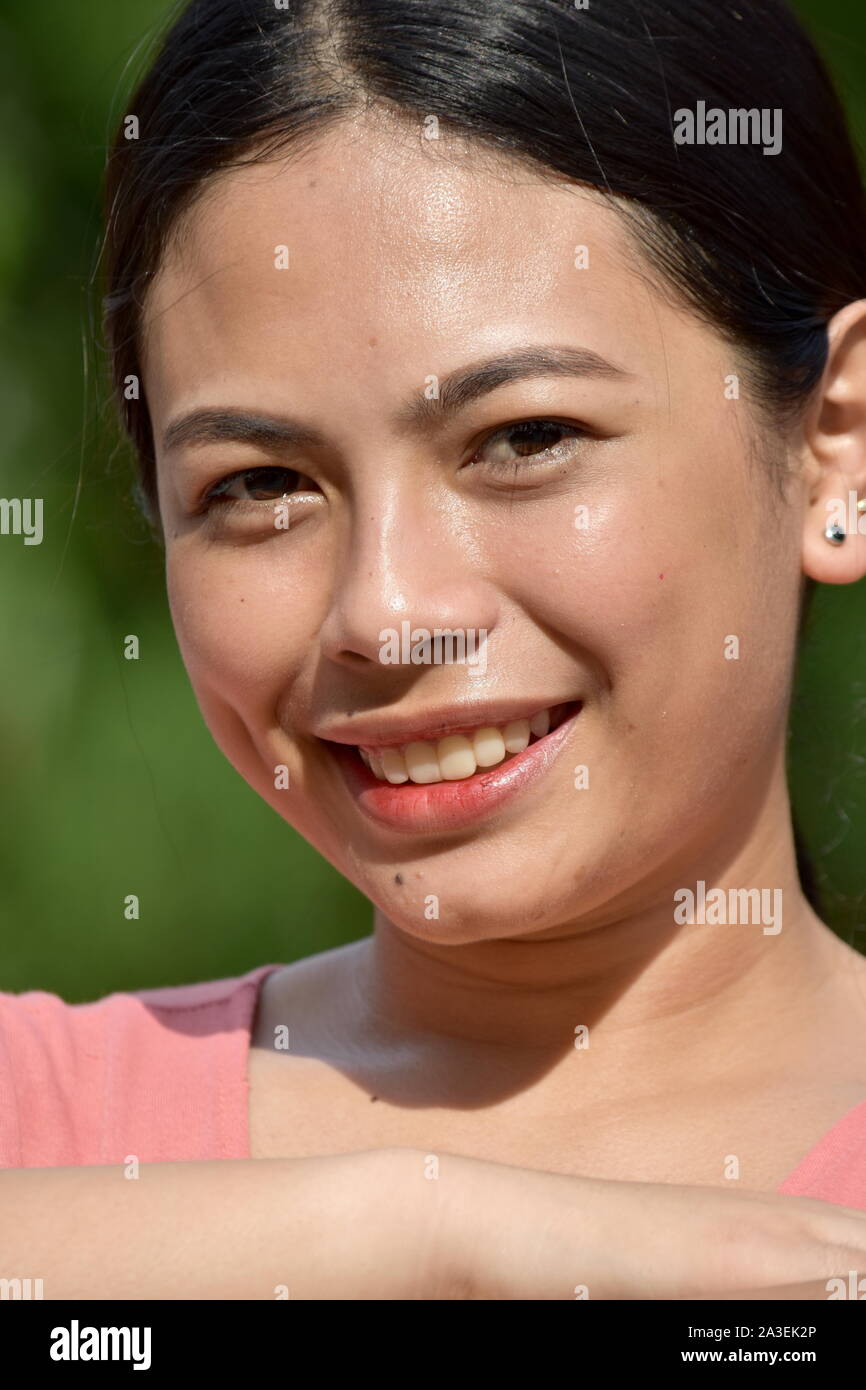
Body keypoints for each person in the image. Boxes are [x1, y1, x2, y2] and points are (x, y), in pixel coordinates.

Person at [3, 0, 866, 1300]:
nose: (387, 614)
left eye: (524, 439)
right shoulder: (48, 1123)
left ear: (833, 445)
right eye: (258, 484)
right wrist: (409, 1227)